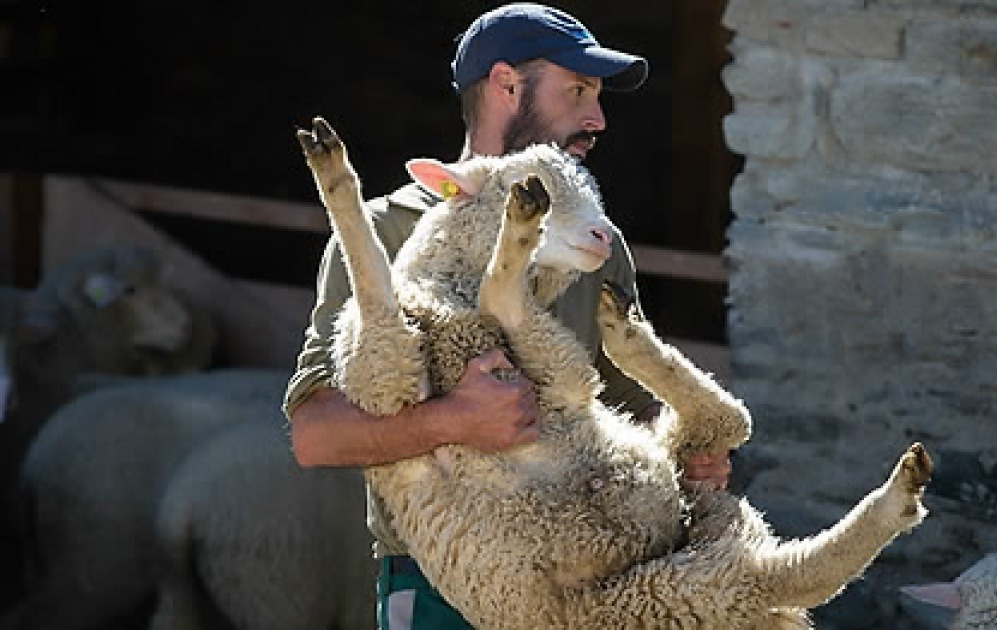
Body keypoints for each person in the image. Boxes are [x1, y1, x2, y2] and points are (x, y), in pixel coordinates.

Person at [283, 4, 732, 628]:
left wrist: (689, 452)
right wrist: (453, 420)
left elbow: (635, 408)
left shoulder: (598, 247)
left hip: (592, 584)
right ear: (506, 86)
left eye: (598, 96)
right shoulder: (383, 231)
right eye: (577, 91)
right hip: (445, 582)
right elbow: (316, 434)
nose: (597, 119)